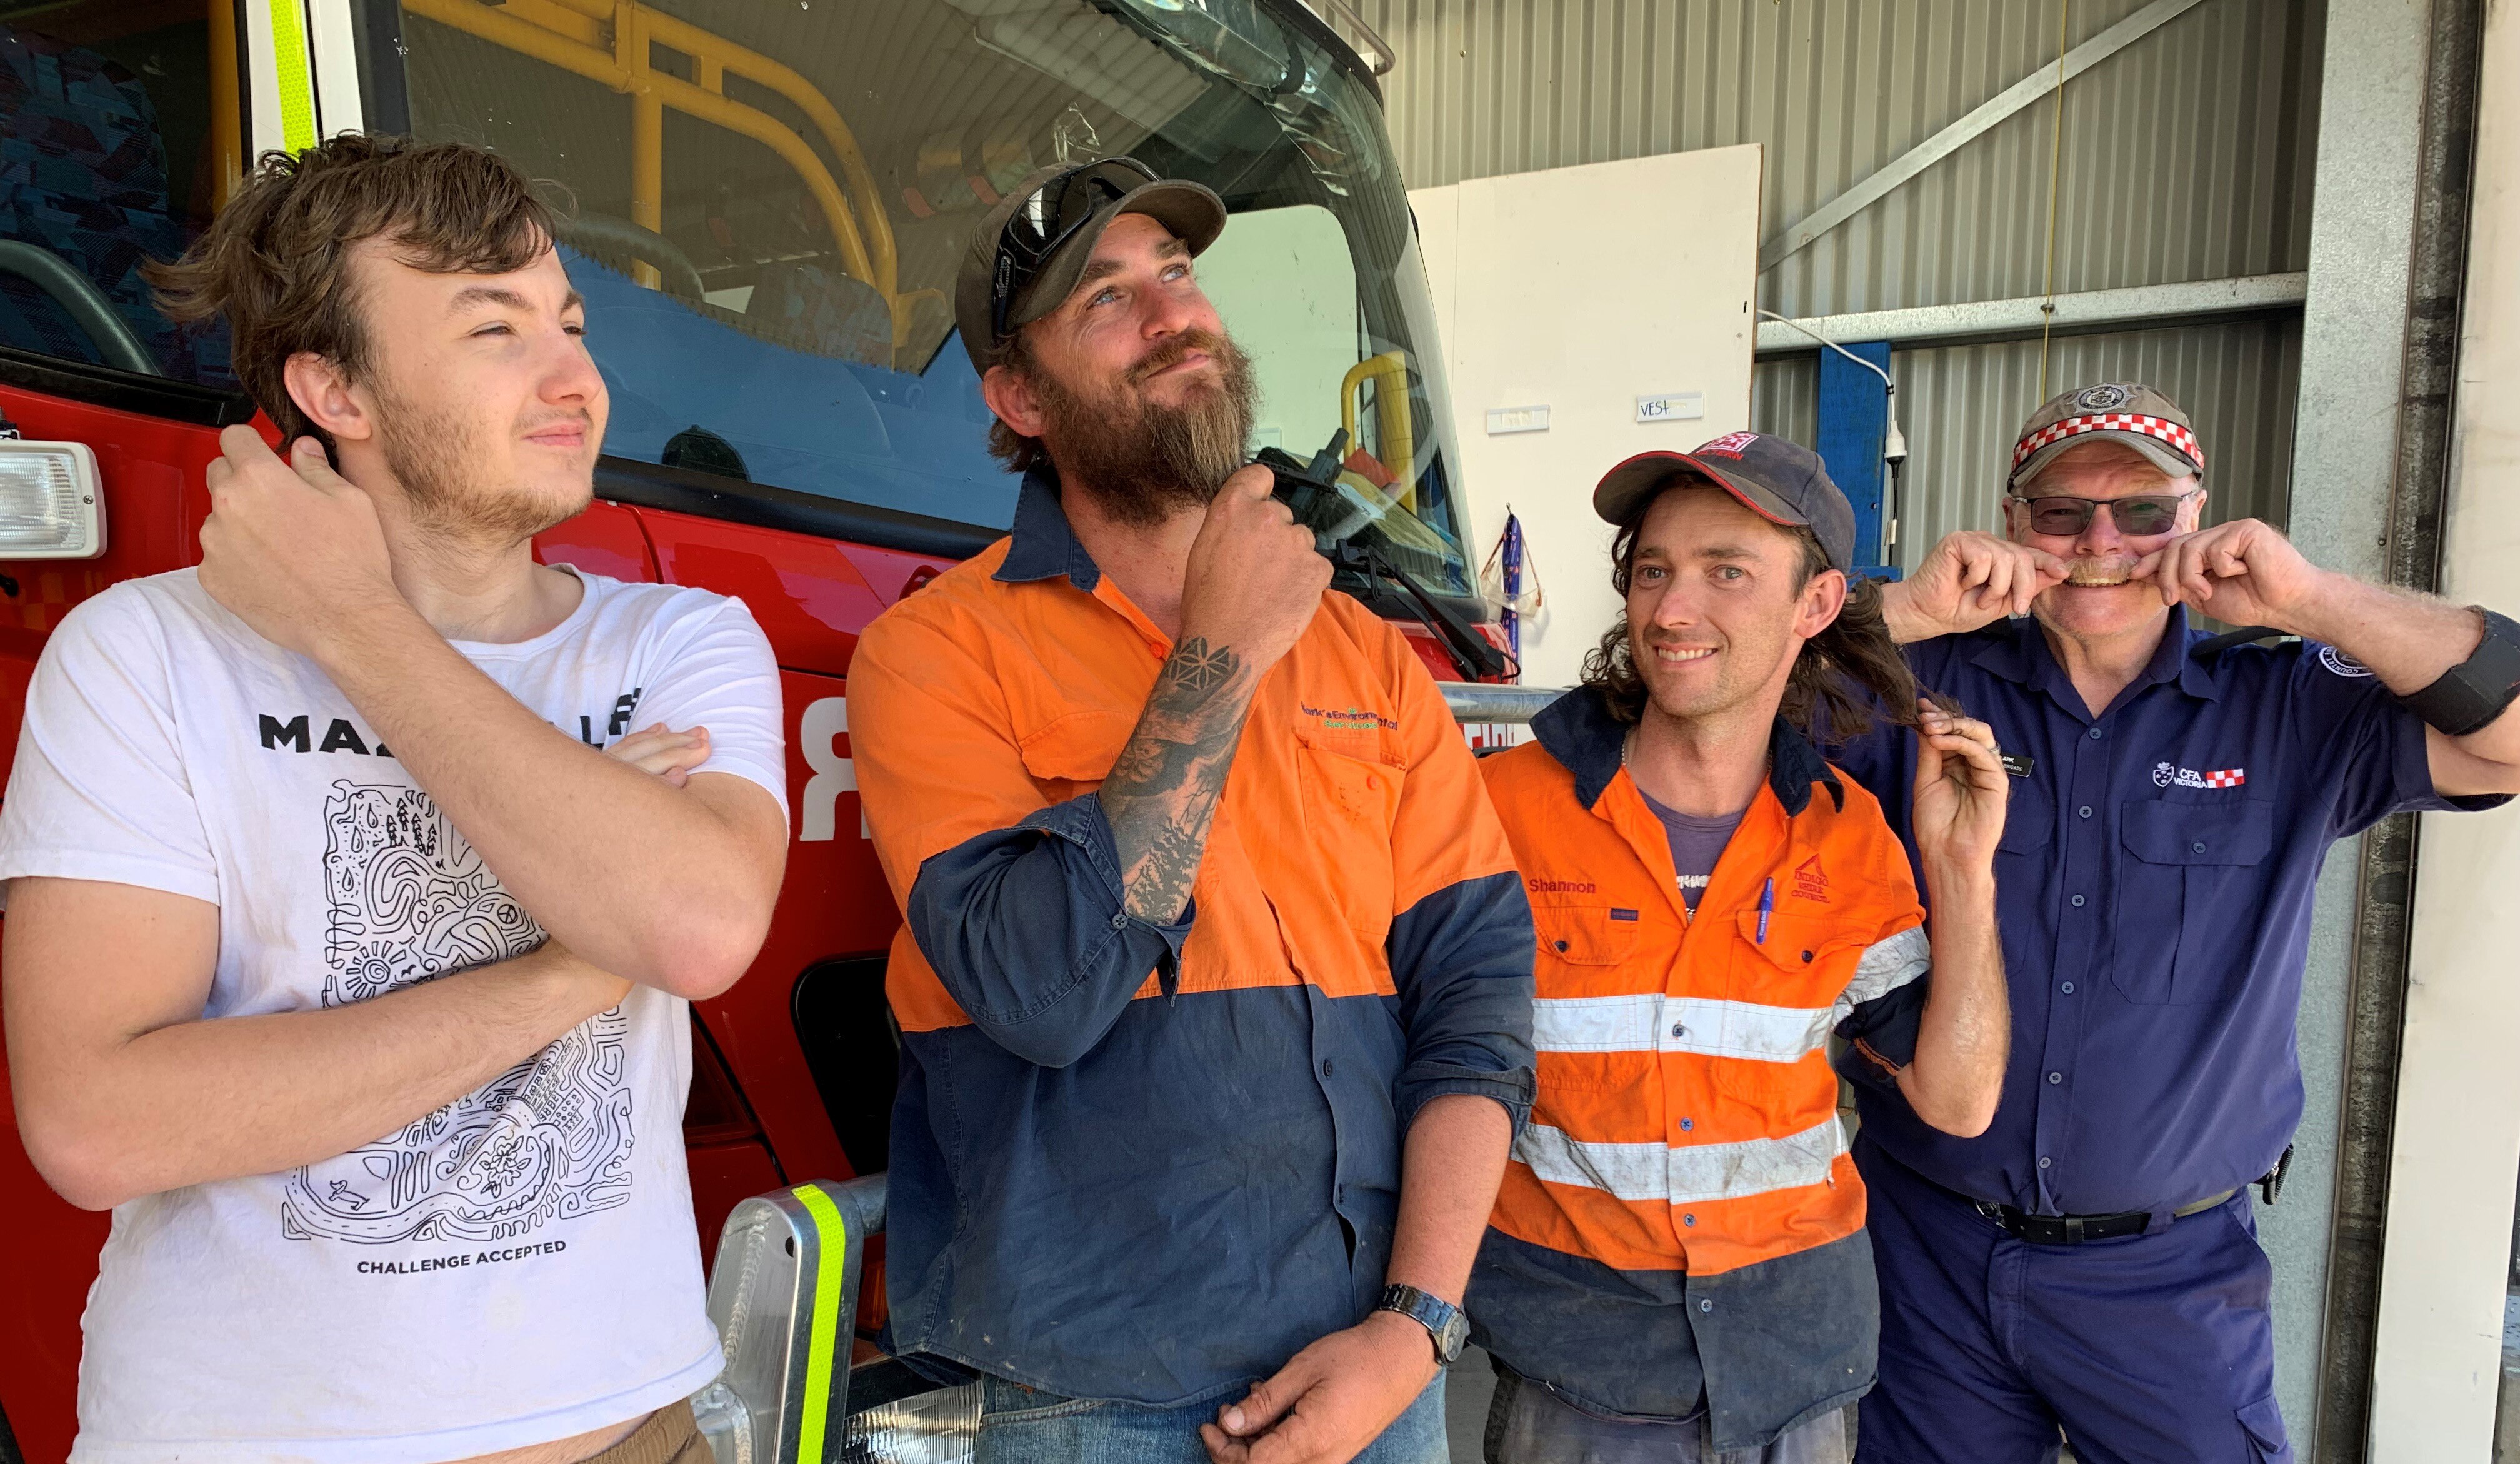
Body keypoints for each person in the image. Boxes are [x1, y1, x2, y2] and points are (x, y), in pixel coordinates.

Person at [0, 136, 790, 1464]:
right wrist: (566, 972)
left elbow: (699, 928)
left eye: (572, 323)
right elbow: (96, 1121)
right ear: (333, 387)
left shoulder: (677, 640)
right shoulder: (145, 652)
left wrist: (354, 625)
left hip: (633, 1437)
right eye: (495, 328)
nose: (575, 377)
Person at [846, 158, 1536, 1464]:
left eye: (1177, 275)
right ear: (1018, 395)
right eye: (1105, 297)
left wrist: (1416, 1324)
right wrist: (1216, 655)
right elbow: (1042, 993)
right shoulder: (934, 655)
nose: (1173, 314)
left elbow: (1479, 999)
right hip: (1085, 1392)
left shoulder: (1366, 654)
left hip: (1371, 1368)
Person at [1838, 382, 2520, 1463]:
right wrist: (1906, 611)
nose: (2100, 539)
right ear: (2015, 527)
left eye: (2143, 512)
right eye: (2061, 512)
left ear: (2193, 522)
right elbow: (1715, 696)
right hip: (1925, 1254)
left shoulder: (2290, 705)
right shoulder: (1920, 682)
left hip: (2169, 1284)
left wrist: (2315, 601)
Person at [1465, 433, 2012, 1464]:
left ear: (1815, 606)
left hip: (1794, 1364)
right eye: (1656, 570)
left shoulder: (1851, 839)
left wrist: (1963, 873)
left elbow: (1957, 1099)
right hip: (1582, 1366)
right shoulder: (1498, 814)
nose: (1672, 611)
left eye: (1727, 572)